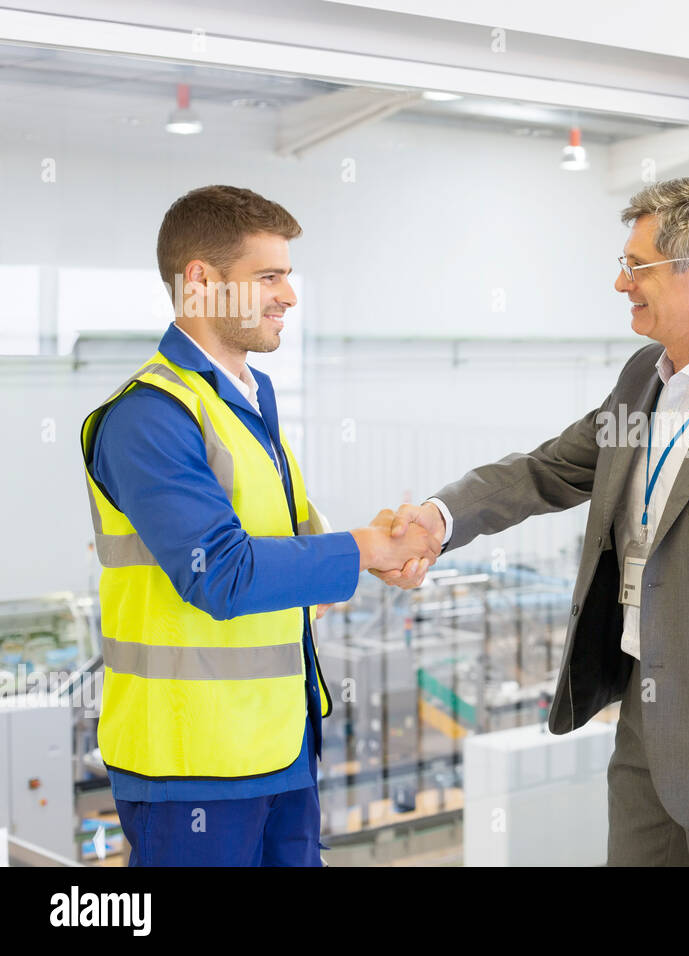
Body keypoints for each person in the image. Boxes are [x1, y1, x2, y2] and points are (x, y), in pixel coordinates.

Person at [382, 177, 689, 866]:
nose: (620, 282)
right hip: (642, 723)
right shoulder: (644, 379)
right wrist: (438, 517)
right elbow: (549, 469)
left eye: (637, 267)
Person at [80, 185, 431, 867]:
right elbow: (227, 574)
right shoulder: (148, 417)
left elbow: (301, 551)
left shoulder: (249, 398)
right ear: (202, 282)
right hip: (191, 766)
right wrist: (363, 549)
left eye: (288, 276)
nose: (289, 296)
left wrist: (379, 552)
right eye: (268, 276)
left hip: (279, 744)